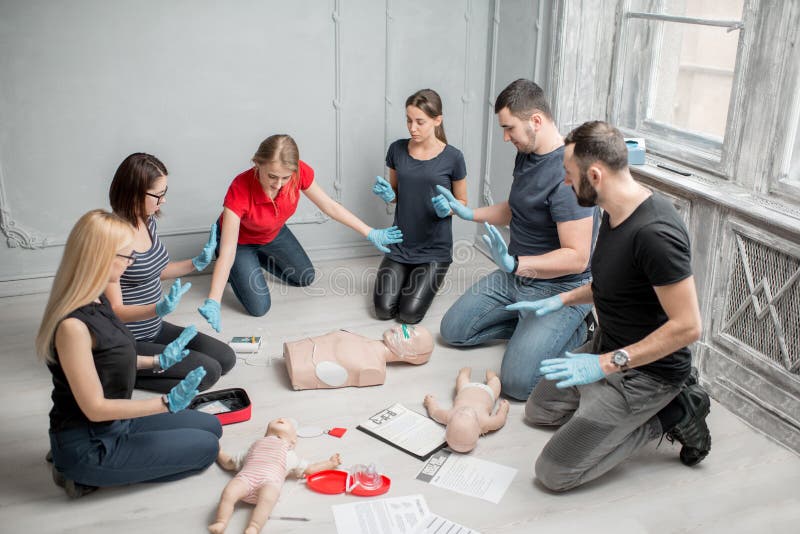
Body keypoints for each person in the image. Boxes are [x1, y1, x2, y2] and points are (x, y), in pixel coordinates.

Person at [517, 121, 709, 492]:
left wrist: (604, 365)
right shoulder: (612, 209)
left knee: (552, 473)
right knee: (538, 410)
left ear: (595, 174)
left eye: (570, 176)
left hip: (648, 374)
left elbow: (689, 327)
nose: (567, 185)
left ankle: (671, 413)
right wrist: (561, 298)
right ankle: (605, 405)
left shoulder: (655, 234)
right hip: (608, 345)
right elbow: (613, 284)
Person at [35, 210, 221, 498]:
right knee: (207, 449)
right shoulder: (72, 327)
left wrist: (158, 361)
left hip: (115, 423)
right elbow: (95, 408)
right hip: (90, 444)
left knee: (211, 426)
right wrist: (165, 402)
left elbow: (106, 359)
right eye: (126, 257)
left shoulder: (98, 299)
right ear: (100, 258)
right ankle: (78, 475)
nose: (131, 262)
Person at [436, 79, 598, 400]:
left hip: (560, 286)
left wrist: (517, 263)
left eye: (509, 128)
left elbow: (578, 257)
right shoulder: (527, 154)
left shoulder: (569, 174)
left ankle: (579, 328)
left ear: (535, 121)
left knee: (518, 385)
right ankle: (530, 330)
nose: (505, 137)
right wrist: (468, 213)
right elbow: (515, 208)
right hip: (516, 276)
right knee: (453, 331)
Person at [198, 134, 403, 331]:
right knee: (259, 308)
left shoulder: (298, 173)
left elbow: (329, 206)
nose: (278, 184)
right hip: (238, 242)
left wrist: (370, 232)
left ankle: (255, 259)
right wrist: (214, 300)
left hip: (272, 232)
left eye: (285, 177)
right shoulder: (239, 189)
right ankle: (241, 267)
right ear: (257, 163)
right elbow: (228, 251)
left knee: (305, 277)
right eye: (272, 176)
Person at [107, 153, 236, 392]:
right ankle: (119, 370)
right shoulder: (113, 237)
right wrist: (158, 308)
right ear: (134, 193)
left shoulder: (147, 221)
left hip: (154, 327)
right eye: (159, 194)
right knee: (209, 372)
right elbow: (115, 312)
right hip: (128, 339)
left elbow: (158, 270)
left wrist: (197, 263)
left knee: (226, 358)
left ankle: (137, 366)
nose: (163, 200)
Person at [372, 89, 467, 324]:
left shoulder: (453, 157)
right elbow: (395, 194)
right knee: (383, 311)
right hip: (400, 244)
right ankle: (409, 276)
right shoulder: (397, 149)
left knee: (409, 315)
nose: (412, 127)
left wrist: (450, 208)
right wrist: (389, 195)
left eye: (419, 122)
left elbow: (462, 202)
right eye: (408, 120)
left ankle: (424, 277)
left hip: (434, 250)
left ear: (437, 121)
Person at [209, 417, 342, 534]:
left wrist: (329, 463)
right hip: (246, 479)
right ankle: (221, 522)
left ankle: (254, 526)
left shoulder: (289, 454)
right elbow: (230, 462)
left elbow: (310, 469)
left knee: (268, 498)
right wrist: (218, 451)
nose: (281, 418)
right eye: (278, 419)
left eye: (288, 422)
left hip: (269, 484)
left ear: (293, 441)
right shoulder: (254, 446)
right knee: (229, 492)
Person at [283, 324, 433, 389]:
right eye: (406, 326)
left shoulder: (374, 370)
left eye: (409, 334)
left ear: (412, 356)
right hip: (292, 350)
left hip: (298, 371)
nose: (401, 329)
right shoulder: (359, 338)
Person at [423, 367, 510, 453]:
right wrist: (504, 409)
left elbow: (434, 412)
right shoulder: (485, 423)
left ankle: (464, 373)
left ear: (448, 425)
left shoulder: (449, 416)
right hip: (488, 392)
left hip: (464, 388)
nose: (465, 411)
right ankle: (492, 377)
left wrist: (430, 403)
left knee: (461, 380)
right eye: (468, 416)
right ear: (478, 431)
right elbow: (500, 420)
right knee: (496, 384)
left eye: (460, 414)